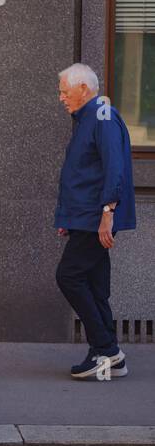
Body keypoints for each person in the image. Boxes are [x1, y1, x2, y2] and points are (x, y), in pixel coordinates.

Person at [54, 63, 136, 380]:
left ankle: (107, 349)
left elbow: (114, 167)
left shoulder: (102, 115)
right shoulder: (87, 118)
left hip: (95, 219)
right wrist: (68, 218)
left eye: (65, 91)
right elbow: (84, 172)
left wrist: (107, 213)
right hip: (84, 218)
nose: (61, 97)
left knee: (69, 276)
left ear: (84, 89)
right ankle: (108, 355)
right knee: (95, 287)